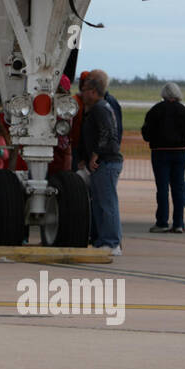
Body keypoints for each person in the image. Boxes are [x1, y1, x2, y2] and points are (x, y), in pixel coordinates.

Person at [141, 82, 185, 234]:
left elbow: (146, 134)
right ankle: (179, 224)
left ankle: (162, 222)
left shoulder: (155, 110)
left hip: (160, 153)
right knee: (179, 190)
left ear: (164, 94)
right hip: (180, 153)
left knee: (162, 189)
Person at [78, 71, 123, 255]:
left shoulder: (100, 108)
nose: (82, 93)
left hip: (106, 162)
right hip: (102, 164)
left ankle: (111, 243)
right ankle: (103, 240)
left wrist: (96, 154)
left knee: (107, 203)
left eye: (85, 90)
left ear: (94, 91)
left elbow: (108, 132)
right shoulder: (97, 108)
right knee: (100, 203)